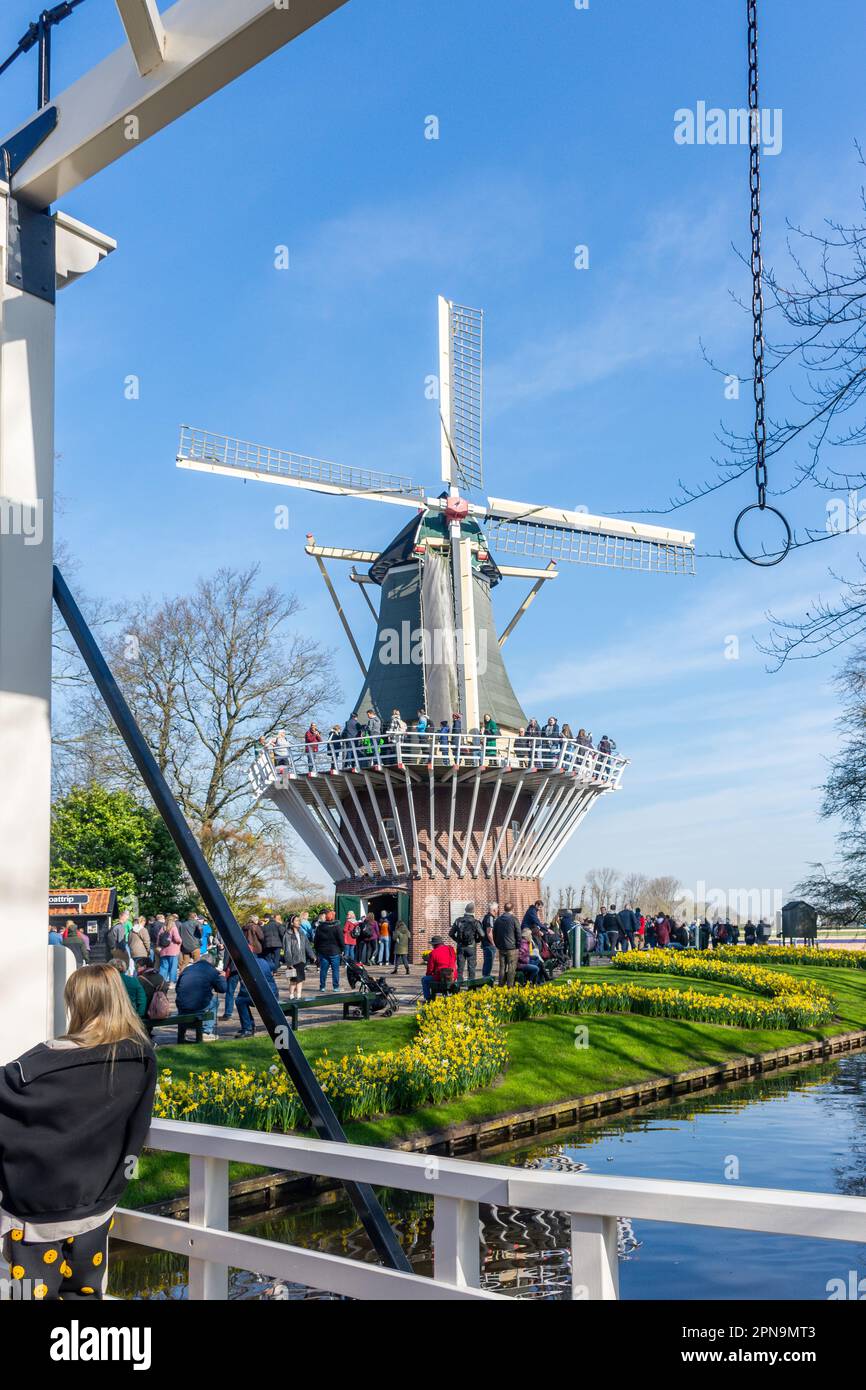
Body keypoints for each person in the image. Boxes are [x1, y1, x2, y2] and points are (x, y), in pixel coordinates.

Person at [0, 963, 156, 1300]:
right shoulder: (139, 1058)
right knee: (86, 1297)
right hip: (96, 1208)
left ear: (77, 1003)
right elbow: (137, 1125)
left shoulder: (34, 1067)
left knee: (26, 1296)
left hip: (32, 1220)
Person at [175, 948, 226, 1041]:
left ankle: (182, 1034)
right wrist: (222, 977)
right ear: (212, 963)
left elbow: (177, 988)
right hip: (197, 1005)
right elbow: (222, 989)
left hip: (181, 1005)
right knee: (215, 1002)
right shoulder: (212, 971)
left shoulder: (187, 969)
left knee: (188, 1001)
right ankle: (206, 1031)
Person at [235, 955, 279, 1039]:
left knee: (240, 1001)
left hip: (262, 996)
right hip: (273, 994)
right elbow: (274, 965)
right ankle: (249, 1026)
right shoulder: (263, 961)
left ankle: (248, 1028)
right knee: (243, 1000)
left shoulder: (245, 966)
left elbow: (244, 990)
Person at [283, 917, 316, 1001]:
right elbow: (287, 949)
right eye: (297, 921)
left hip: (302, 959)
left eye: (299, 920)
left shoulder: (301, 932)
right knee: (293, 980)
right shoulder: (288, 934)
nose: (299, 922)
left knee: (300, 979)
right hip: (293, 960)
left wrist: (312, 955)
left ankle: (299, 996)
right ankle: (291, 995)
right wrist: (289, 963)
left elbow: (307, 945)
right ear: (292, 923)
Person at [449, 903, 484, 981]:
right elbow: (482, 935)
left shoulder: (458, 920)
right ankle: (471, 987)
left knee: (460, 968)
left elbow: (451, 933)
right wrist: (477, 940)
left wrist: (457, 940)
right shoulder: (476, 922)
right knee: (471, 967)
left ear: (465, 910)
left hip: (460, 946)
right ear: (473, 911)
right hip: (471, 947)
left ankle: (458, 986)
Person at [421, 936, 457, 1002]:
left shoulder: (433, 953)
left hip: (441, 977)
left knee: (424, 979)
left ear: (434, 944)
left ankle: (428, 999)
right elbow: (454, 959)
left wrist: (430, 974)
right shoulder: (450, 949)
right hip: (453, 975)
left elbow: (430, 969)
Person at [110, 952, 148, 1016]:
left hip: (112, 1016)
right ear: (124, 968)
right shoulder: (134, 980)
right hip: (130, 1015)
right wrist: (139, 1016)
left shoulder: (106, 982)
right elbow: (142, 1000)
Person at [314, 912, 344, 991]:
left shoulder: (320, 927)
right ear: (333, 918)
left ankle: (322, 986)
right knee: (335, 970)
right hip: (335, 951)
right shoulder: (337, 927)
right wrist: (342, 949)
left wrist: (317, 950)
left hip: (323, 951)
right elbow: (341, 939)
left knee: (323, 970)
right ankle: (336, 987)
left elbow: (316, 940)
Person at [493, 903, 521, 987]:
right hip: (512, 948)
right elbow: (518, 933)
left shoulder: (498, 920)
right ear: (512, 909)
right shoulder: (514, 919)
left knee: (502, 968)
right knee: (511, 969)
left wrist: (498, 944)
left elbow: (494, 934)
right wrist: (518, 945)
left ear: (504, 909)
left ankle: (501, 986)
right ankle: (510, 986)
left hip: (501, 947)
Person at [481, 902, 498, 978]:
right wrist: (493, 943)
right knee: (489, 963)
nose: (497, 911)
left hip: (486, 944)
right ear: (494, 910)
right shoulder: (490, 918)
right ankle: (486, 980)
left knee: (487, 963)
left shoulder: (486, 917)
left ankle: (485, 978)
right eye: (497, 909)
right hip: (489, 944)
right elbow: (489, 932)